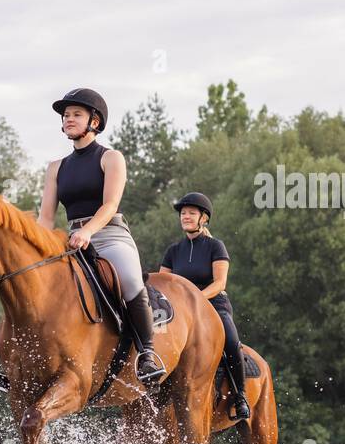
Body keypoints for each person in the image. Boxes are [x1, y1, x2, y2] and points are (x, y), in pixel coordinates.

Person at [38, 88, 165, 384]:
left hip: (109, 235)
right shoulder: (56, 167)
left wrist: (88, 231)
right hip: (71, 241)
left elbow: (110, 205)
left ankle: (147, 353)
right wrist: (38, 247)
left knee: (132, 280)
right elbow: (45, 217)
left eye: (76, 114)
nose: (69, 119)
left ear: (94, 121)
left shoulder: (111, 158)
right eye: (66, 115)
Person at [159, 192, 250, 420]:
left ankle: (240, 396)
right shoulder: (173, 251)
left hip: (213, 304)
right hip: (180, 310)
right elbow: (164, 283)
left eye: (191, 213)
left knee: (230, 341)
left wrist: (195, 299)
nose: (185, 217)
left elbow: (220, 283)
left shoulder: (215, 246)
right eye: (183, 213)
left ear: (204, 218)